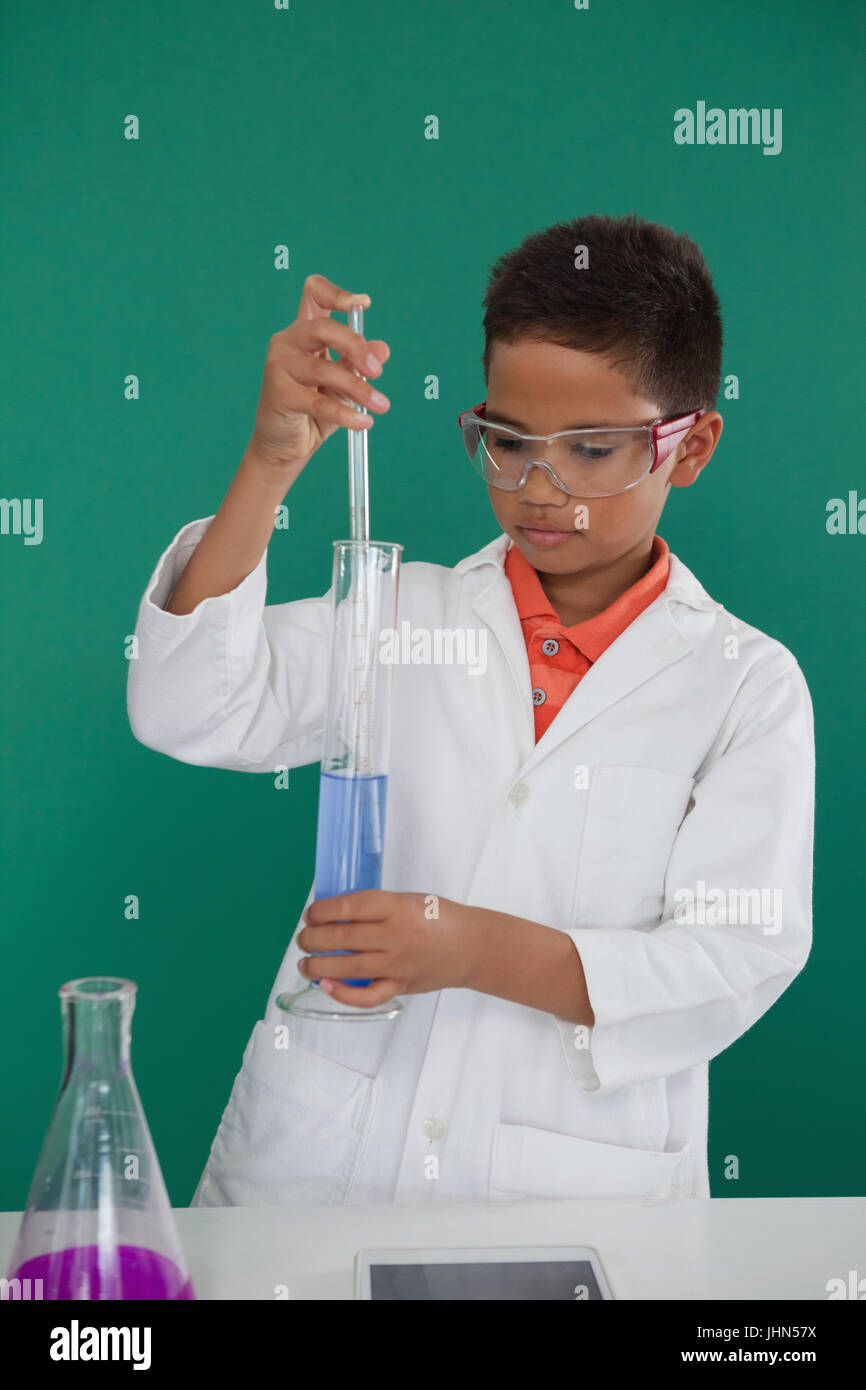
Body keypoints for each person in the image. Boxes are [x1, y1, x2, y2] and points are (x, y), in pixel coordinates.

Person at [126, 213, 814, 1206]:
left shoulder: (742, 683)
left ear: (690, 444)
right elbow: (190, 704)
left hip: (575, 1185)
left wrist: (469, 947)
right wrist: (273, 460)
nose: (537, 485)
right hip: (321, 1169)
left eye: (590, 448)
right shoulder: (402, 615)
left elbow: (732, 956)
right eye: (506, 439)